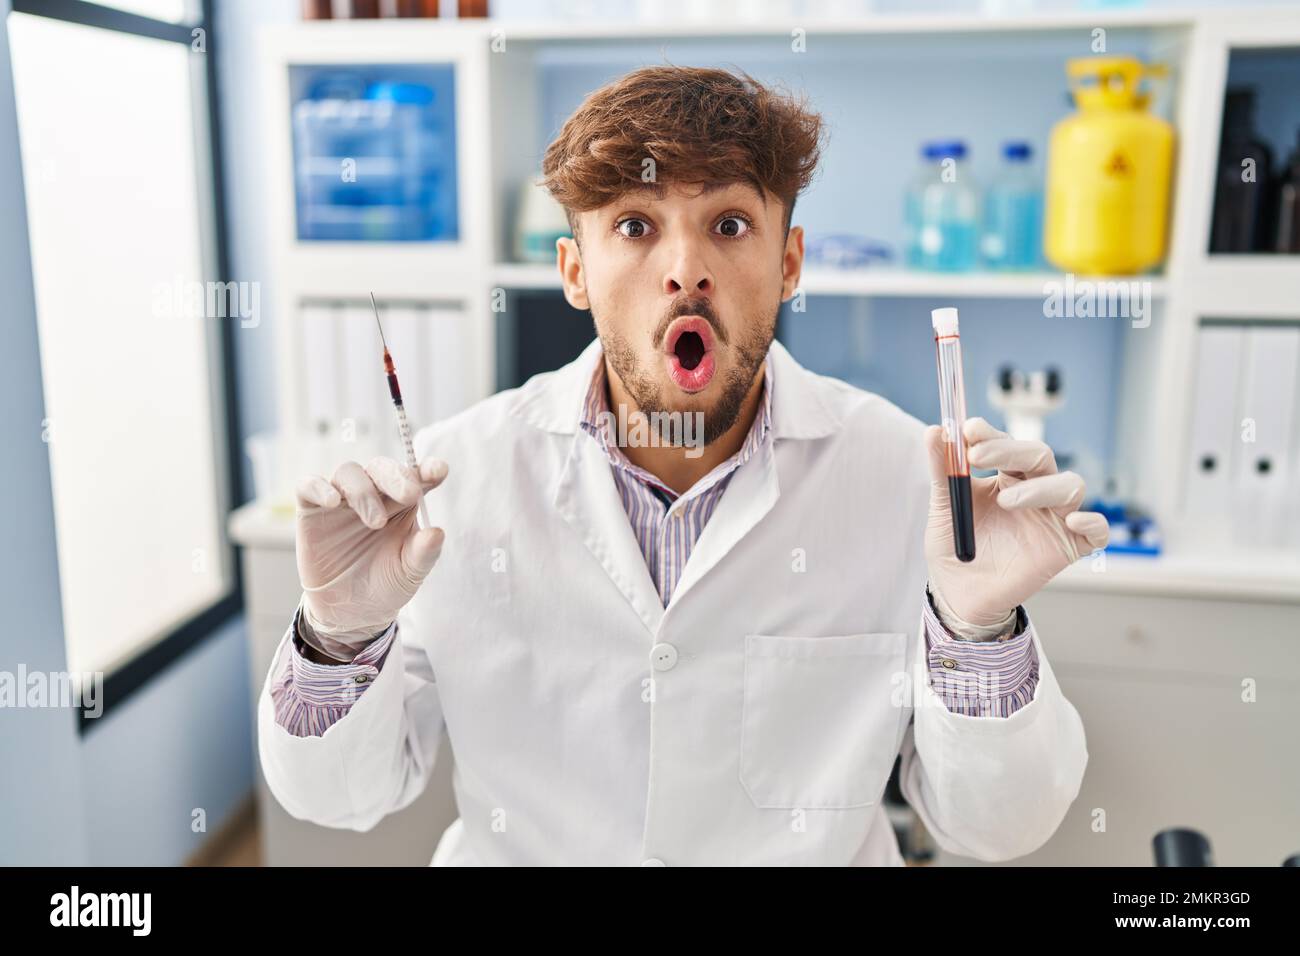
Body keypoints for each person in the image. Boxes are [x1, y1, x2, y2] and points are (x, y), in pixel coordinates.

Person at [258, 66, 1107, 866]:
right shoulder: (454, 478)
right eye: (635, 225)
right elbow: (340, 798)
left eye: (729, 225)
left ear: (788, 263)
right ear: (575, 270)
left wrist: (979, 629)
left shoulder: (905, 479)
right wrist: (338, 639)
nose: (686, 270)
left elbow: (1000, 826)